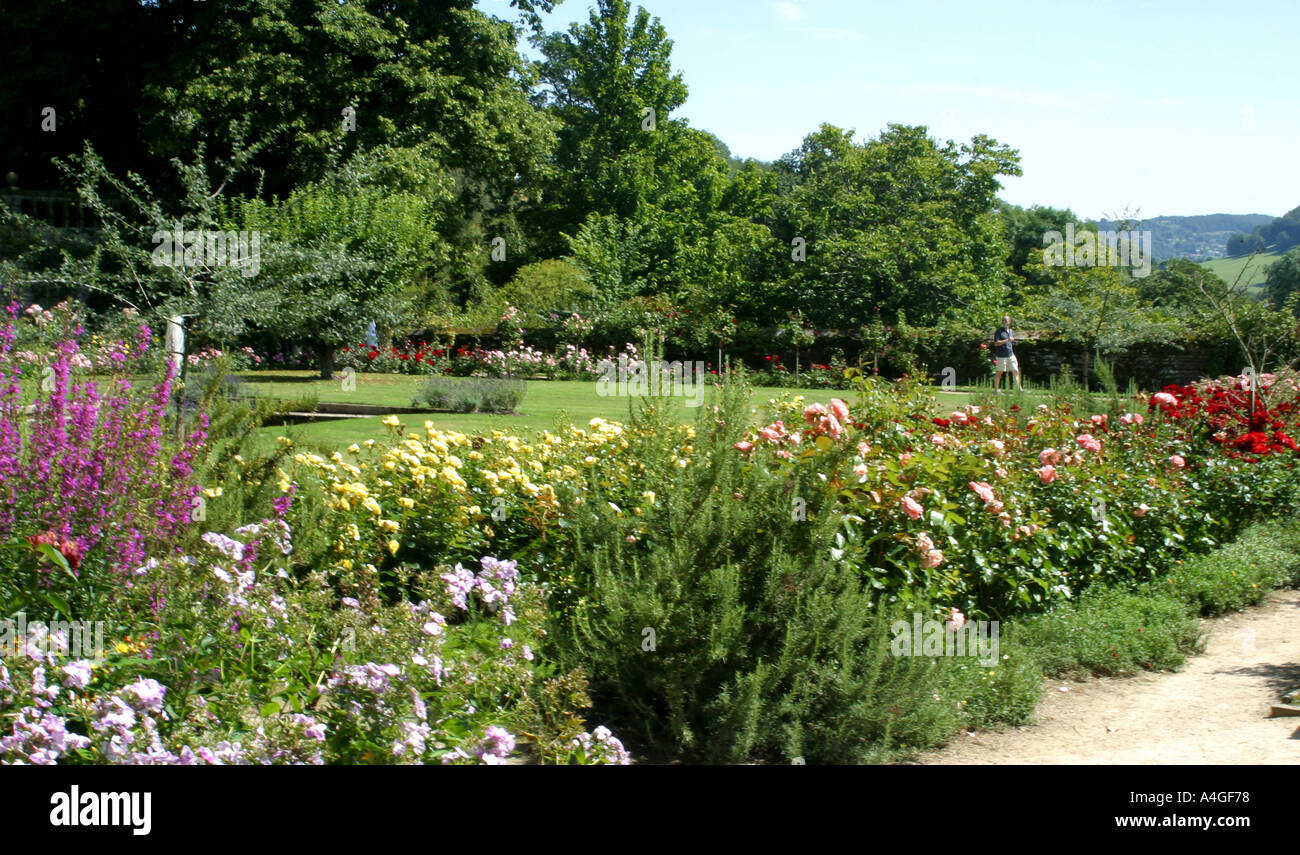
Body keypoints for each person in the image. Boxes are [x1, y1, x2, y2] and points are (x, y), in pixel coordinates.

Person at [992, 314, 1023, 393]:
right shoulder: (999, 331)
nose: (1004, 322)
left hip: (1010, 354)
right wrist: (1007, 340)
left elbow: (1010, 342)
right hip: (1001, 356)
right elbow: (996, 343)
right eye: (1003, 320)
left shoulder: (1011, 331)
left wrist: (1010, 342)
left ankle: (1019, 389)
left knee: (1015, 370)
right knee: (999, 372)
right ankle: (996, 390)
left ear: (1009, 322)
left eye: (1006, 320)